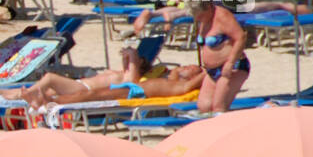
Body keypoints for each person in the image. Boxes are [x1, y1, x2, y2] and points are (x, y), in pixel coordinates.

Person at [0, 44, 153, 109]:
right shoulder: (120, 72)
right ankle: (15, 93)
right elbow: (127, 62)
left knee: (50, 78)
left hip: (83, 90)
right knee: (47, 90)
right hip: (79, 85)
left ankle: (16, 94)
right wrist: (128, 55)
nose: (127, 61)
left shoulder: (129, 79)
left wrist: (133, 55)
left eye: (131, 61)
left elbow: (131, 80)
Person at [191, 0, 250, 113]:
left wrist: (230, 62)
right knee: (204, 107)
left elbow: (241, 37)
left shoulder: (222, 16)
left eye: (201, 15)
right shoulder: (204, 19)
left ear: (209, 7)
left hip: (231, 67)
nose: (198, 19)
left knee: (218, 107)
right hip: (211, 71)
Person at [47, 65, 207, 105]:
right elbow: (175, 72)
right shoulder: (174, 79)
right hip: (131, 88)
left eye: (193, 68)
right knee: (90, 94)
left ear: (194, 77)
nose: (188, 66)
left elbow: (187, 87)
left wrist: (206, 72)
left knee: (91, 95)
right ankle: (54, 99)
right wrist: (181, 70)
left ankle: (53, 102)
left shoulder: (182, 86)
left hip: (136, 93)